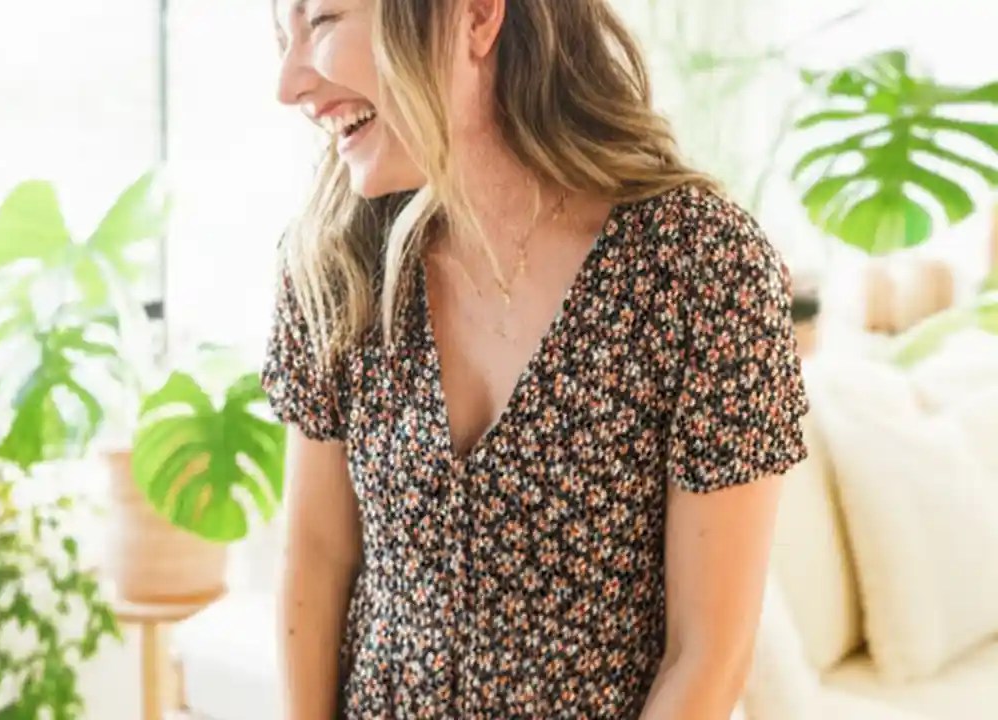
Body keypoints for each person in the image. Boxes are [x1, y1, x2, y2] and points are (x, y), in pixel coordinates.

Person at [262, 1, 809, 718]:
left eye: (323, 21)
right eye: (282, 37)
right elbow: (316, 560)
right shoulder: (334, 259)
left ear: (478, 17)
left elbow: (708, 653)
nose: (289, 83)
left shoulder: (702, 268)